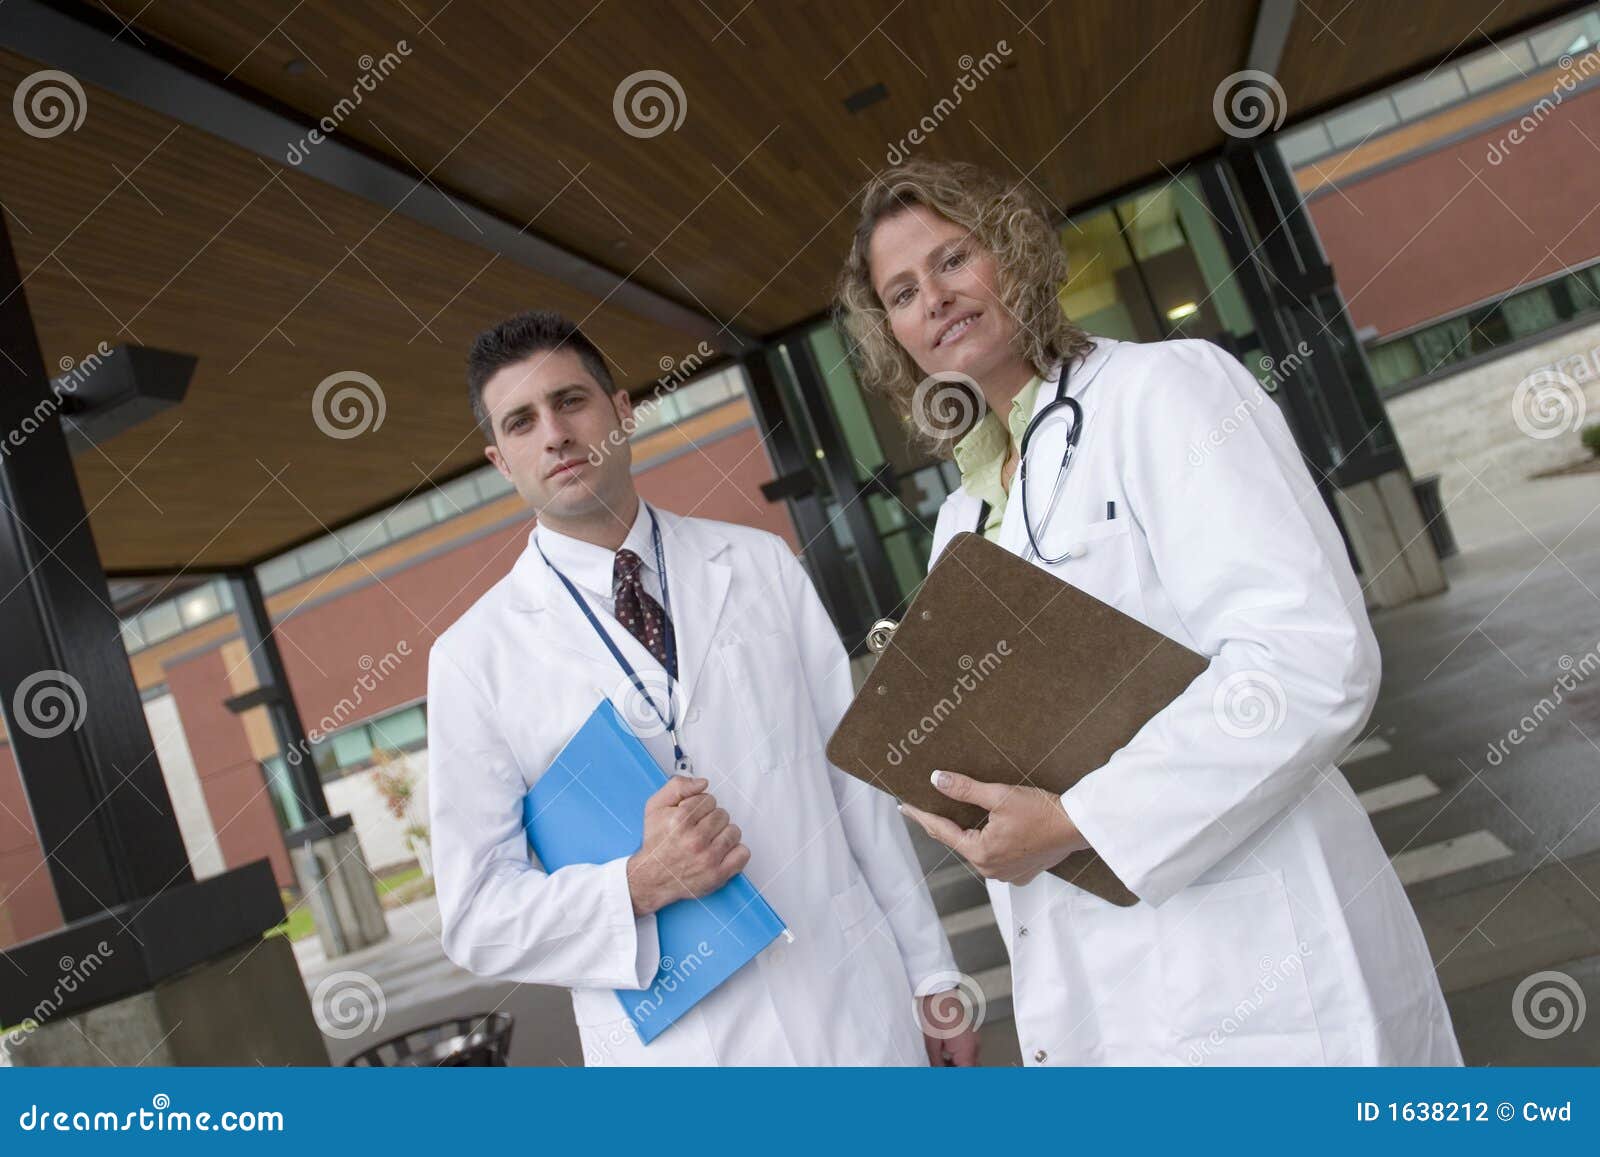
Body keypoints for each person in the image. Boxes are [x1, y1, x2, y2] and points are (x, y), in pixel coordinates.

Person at [835, 158, 1460, 1066]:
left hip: (1261, 956)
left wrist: (1081, 821)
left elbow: (1310, 660)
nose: (932, 297)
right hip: (1101, 999)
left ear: (1010, 251)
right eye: (900, 292)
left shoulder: (1170, 392)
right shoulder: (961, 518)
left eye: (952, 258)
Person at [425, 310, 976, 1066]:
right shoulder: (473, 658)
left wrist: (932, 971)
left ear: (621, 413)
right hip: (685, 1051)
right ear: (500, 460)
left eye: (571, 401)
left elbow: (858, 782)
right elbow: (477, 914)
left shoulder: (760, 564)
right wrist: (639, 883)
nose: (553, 433)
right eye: (521, 422)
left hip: (852, 1009)